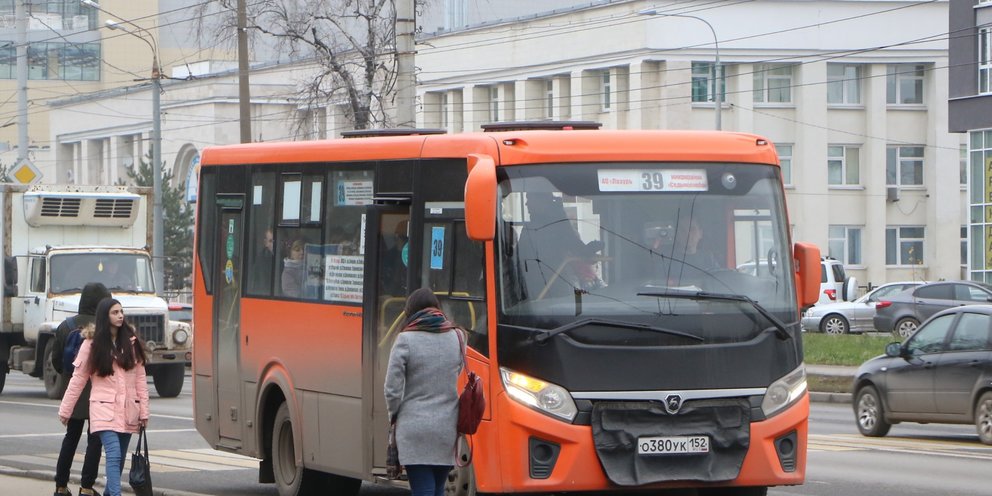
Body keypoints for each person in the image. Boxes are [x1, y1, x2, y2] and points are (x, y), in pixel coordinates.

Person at [59, 298, 150, 496]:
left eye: (121, 312)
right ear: (104, 316)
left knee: (119, 460)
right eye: (115, 312)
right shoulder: (91, 345)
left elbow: (140, 381)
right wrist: (66, 410)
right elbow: (78, 379)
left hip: (128, 411)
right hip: (103, 410)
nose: (120, 316)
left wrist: (144, 411)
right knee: (114, 454)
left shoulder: (131, 342)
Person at [384, 288, 464, 496]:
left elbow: (392, 389)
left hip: (414, 429)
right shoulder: (457, 337)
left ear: (410, 311)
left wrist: (394, 414)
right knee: (437, 489)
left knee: (424, 490)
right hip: (447, 428)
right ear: (437, 308)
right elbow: (457, 372)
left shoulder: (405, 340)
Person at [51, 282, 111, 496]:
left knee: (71, 437)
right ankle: (86, 487)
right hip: (98, 391)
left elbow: (56, 361)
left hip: (73, 390)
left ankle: (60, 485)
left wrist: (70, 377)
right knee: (94, 441)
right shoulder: (104, 328)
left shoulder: (65, 326)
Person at [516, 191, 604, 296]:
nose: (527, 204)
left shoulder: (557, 226)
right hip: (533, 287)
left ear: (543, 202)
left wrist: (588, 251)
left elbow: (576, 248)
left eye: (530, 199)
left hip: (552, 288)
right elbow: (519, 258)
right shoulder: (532, 227)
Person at [250, 228, 275, 293]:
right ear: (265, 243)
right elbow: (262, 284)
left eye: (275, 241)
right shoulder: (261, 259)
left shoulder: (284, 256)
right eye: (271, 241)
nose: (274, 244)